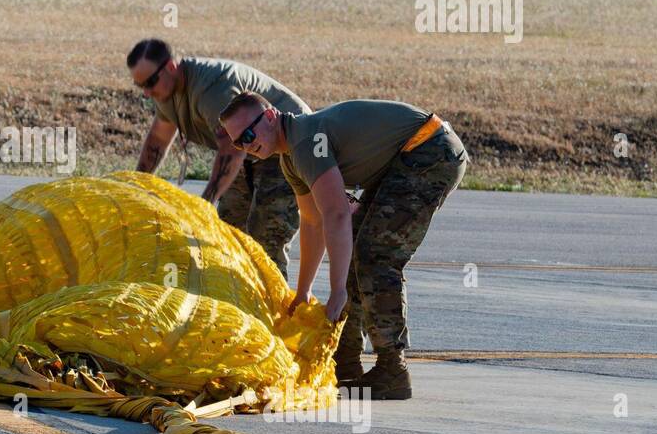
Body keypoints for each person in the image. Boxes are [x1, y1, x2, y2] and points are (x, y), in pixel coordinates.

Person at [218, 92, 469, 399]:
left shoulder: (306, 143)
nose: (246, 146)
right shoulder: (290, 158)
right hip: (406, 158)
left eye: (248, 134)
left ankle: (393, 369)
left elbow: (336, 213)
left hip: (430, 150)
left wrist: (337, 291)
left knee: (375, 255)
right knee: (354, 251)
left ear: (270, 117)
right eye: (237, 142)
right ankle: (346, 360)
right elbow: (313, 222)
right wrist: (303, 291)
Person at [127, 38, 309, 276]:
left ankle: (272, 310)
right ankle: (236, 306)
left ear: (171, 66)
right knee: (229, 233)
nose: (147, 92)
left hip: (286, 147)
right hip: (249, 152)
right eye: (140, 86)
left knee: (266, 239)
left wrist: (204, 203)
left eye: (150, 82)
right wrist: (134, 186)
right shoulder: (165, 92)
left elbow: (232, 150)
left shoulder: (211, 88)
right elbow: (158, 140)